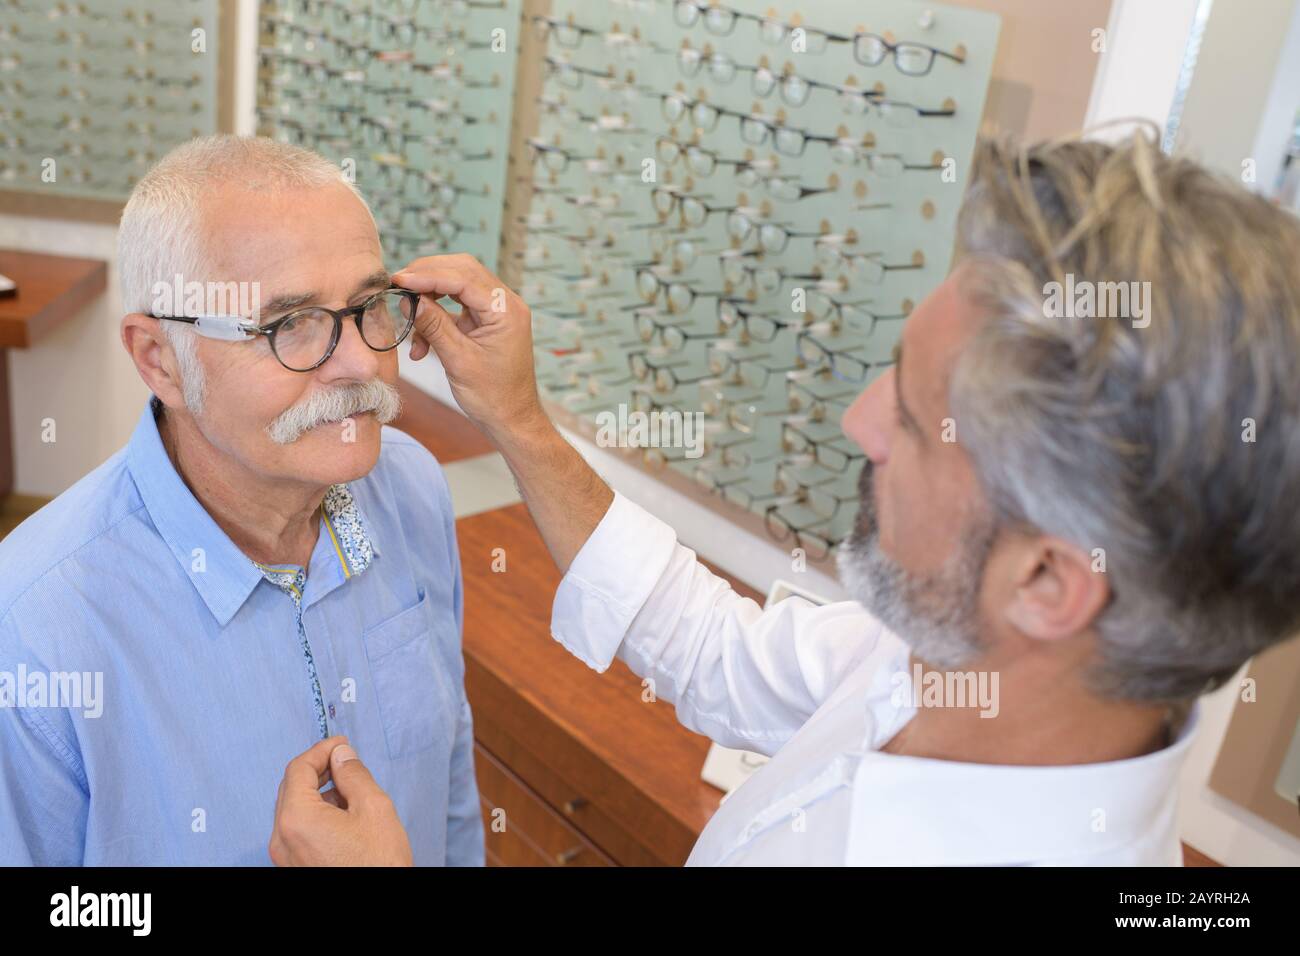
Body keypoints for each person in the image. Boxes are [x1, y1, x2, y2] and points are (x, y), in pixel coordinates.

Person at [270, 130, 1300, 865]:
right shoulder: (948, 660)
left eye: (912, 416)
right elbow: (715, 650)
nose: (857, 420)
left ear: (1046, 578)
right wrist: (522, 421)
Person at [0, 136, 483, 865]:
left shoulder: (411, 486)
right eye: (290, 325)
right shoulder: (33, 633)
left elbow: (450, 787)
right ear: (159, 359)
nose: (360, 364)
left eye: (368, 306)